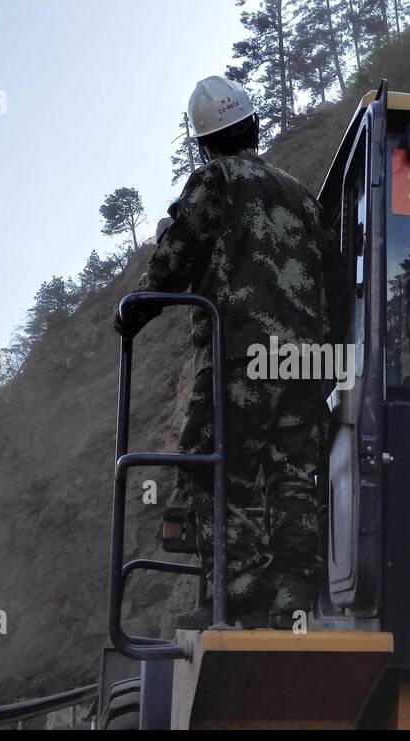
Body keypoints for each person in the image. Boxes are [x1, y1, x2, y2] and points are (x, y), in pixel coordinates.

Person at [113, 76, 346, 629]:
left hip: (245, 354)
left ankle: (238, 595)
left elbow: (176, 254)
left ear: (205, 142)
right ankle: (292, 603)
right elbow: (335, 277)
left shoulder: (216, 180)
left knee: (215, 467)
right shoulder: (303, 197)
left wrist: (132, 313)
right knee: (292, 475)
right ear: (253, 127)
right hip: (307, 363)